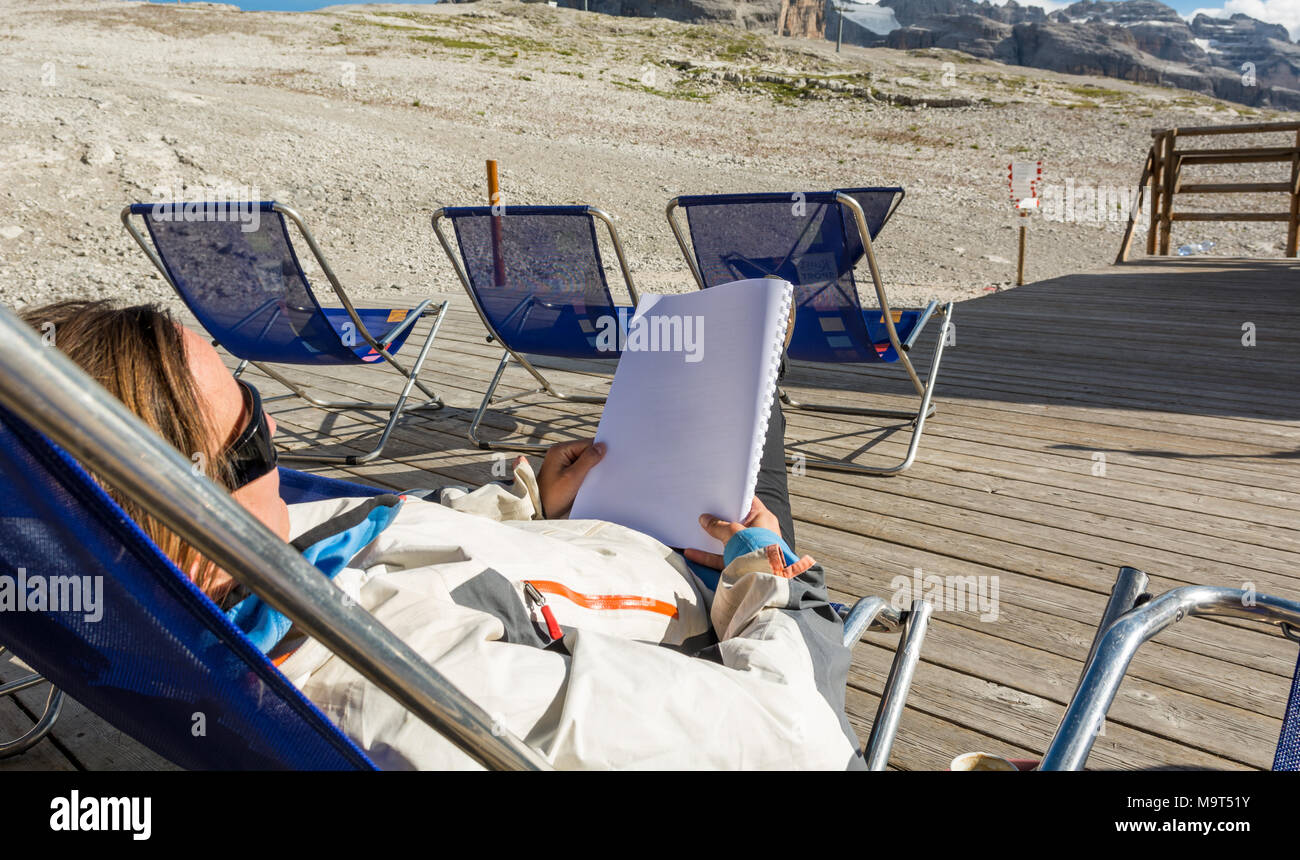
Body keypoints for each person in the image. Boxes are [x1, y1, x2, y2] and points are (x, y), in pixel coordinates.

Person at [23, 299, 864, 770]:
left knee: (734, 388)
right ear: (186, 527)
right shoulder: (428, 692)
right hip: (717, 592)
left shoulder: (252, 572)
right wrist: (771, 586)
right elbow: (797, 741)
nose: (271, 419)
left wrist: (527, 497)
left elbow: (383, 538)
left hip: (595, 534)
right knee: (759, 405)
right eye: (252, 435)